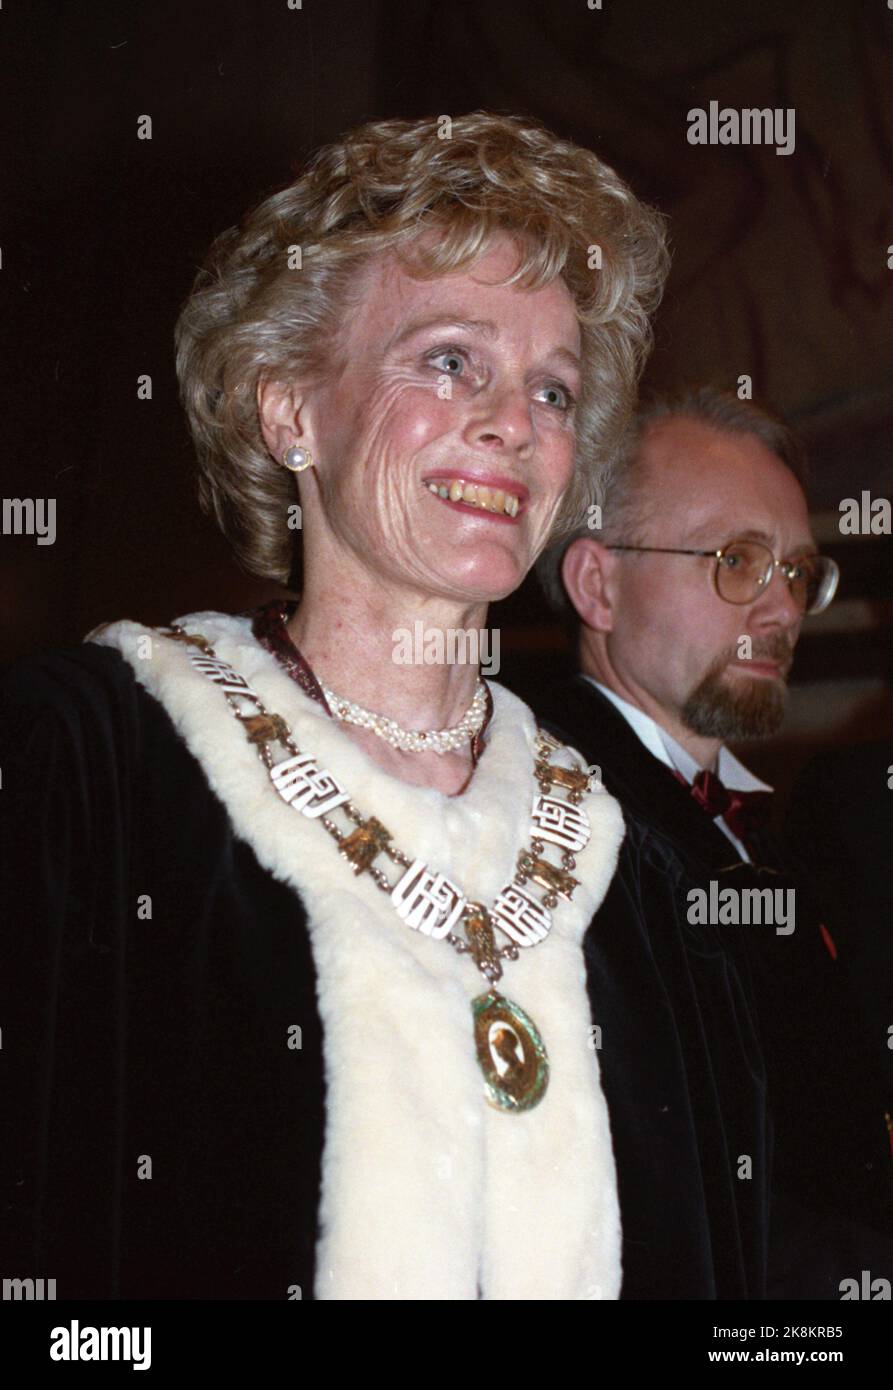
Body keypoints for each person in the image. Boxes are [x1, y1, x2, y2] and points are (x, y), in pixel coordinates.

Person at [0, 112, 669, 1300]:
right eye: (451, 359)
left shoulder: (620, 844)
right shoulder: (91, 761)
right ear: (289, 411)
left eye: (554, 390)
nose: (514, 422)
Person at [532, 386, 893, 1299]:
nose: (781, 609)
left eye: (799, 572)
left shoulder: (745, 826)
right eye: (738, 561)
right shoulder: (553, 821)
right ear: (597, 584)